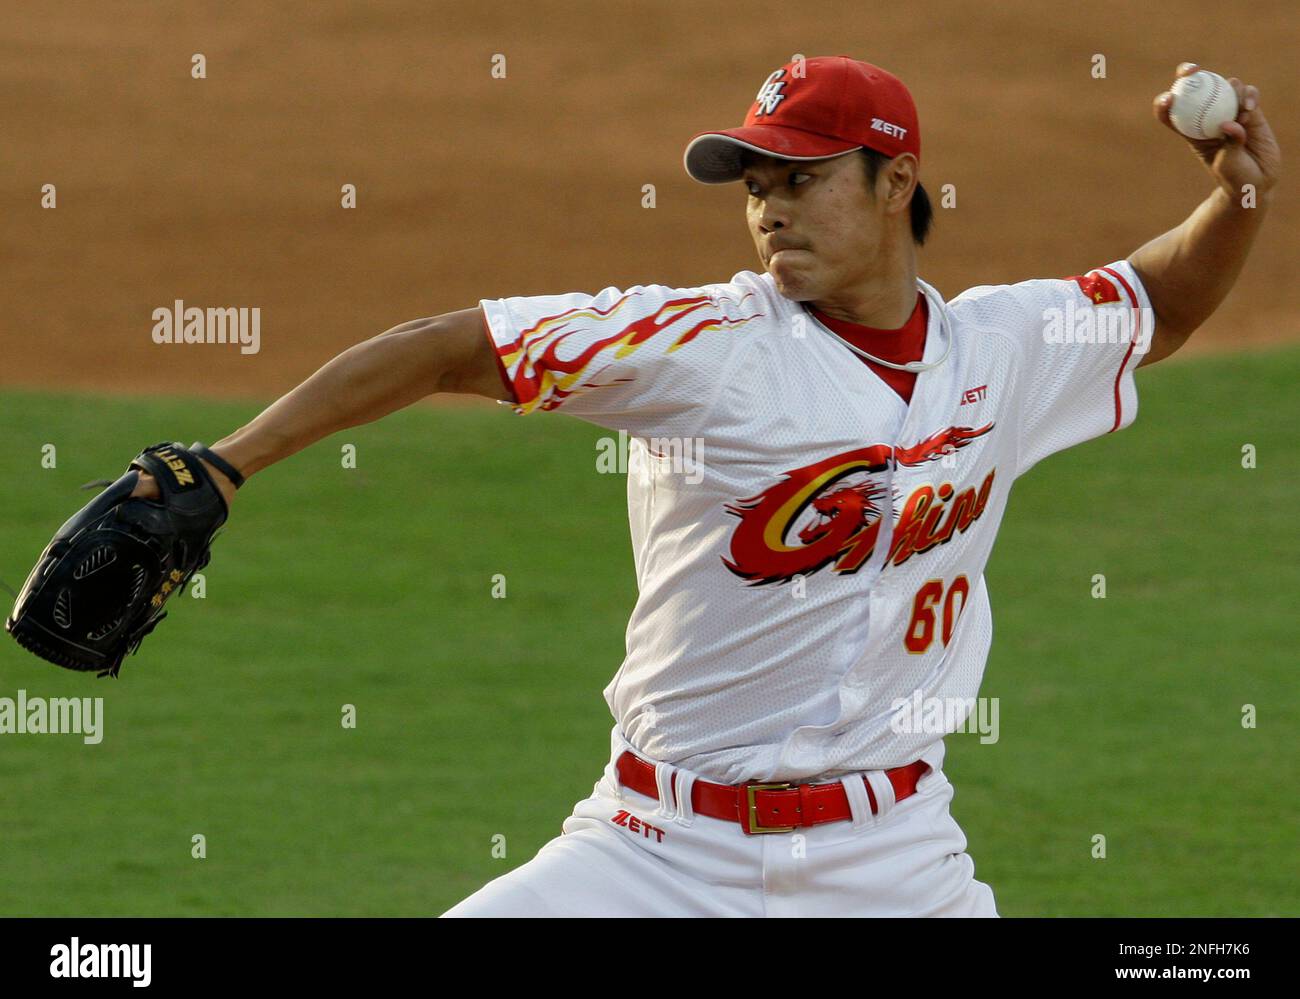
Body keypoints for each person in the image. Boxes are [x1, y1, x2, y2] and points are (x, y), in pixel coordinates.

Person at [132, 57, 1279, 917]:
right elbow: (444, 344)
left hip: (893, 865)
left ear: (897, 182)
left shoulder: (1002, 349)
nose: (770, 206)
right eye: (754, 183)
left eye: (804, 178)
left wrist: (1239, 197)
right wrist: (230, 466)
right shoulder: (698, 343)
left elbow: (1157, 304)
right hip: (652, 851)